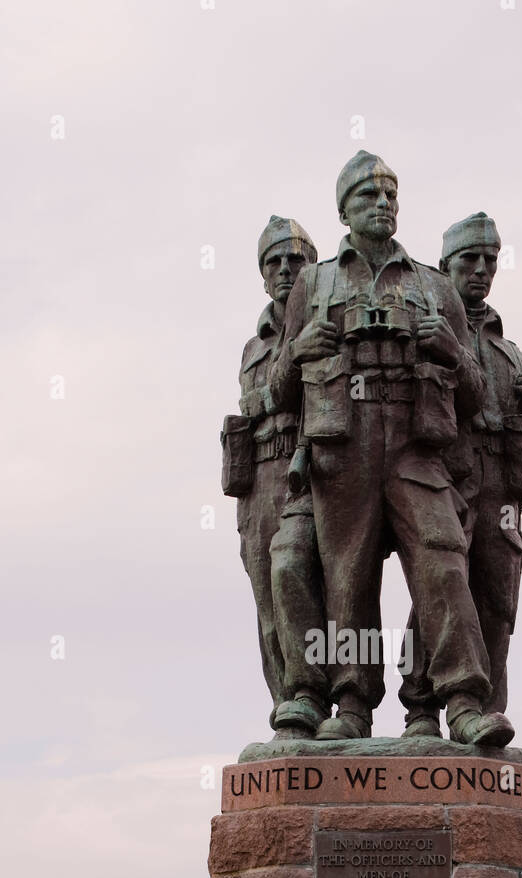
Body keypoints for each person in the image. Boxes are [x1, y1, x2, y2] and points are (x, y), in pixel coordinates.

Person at [269, 153, 512, 746]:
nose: (382, 206)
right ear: (343, 210)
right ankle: (351, 703)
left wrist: (452, 350)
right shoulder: (314, 283)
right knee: (347, 580)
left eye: (390, 197)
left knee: (443, 561)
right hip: (342, 447)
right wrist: (300, 349)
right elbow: (279, 393)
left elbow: (477, 396)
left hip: (415, 450)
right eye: (368, 197)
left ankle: (462, 702)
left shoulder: (432, 286)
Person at [399, 212, 522, 742]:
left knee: (498, 601)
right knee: (438, 587)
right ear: (445, 267)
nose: (482, 270)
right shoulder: (430, 331)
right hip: (448, 474)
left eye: (491, 261)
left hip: (502, 487)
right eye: (470, 260)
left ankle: (485, 712)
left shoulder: (510, 353)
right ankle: (420, 708)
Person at [220, 216, 329, 733]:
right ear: (263, 275)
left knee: (296, 575)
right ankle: (289, 707)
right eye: (274, 262)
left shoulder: (324, 323)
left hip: (306, 469)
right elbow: (254, 404)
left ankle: (316, 692)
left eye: (295, 259)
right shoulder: (253, 346)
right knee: (267, 601)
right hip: (257, 477)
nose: (285, 270)